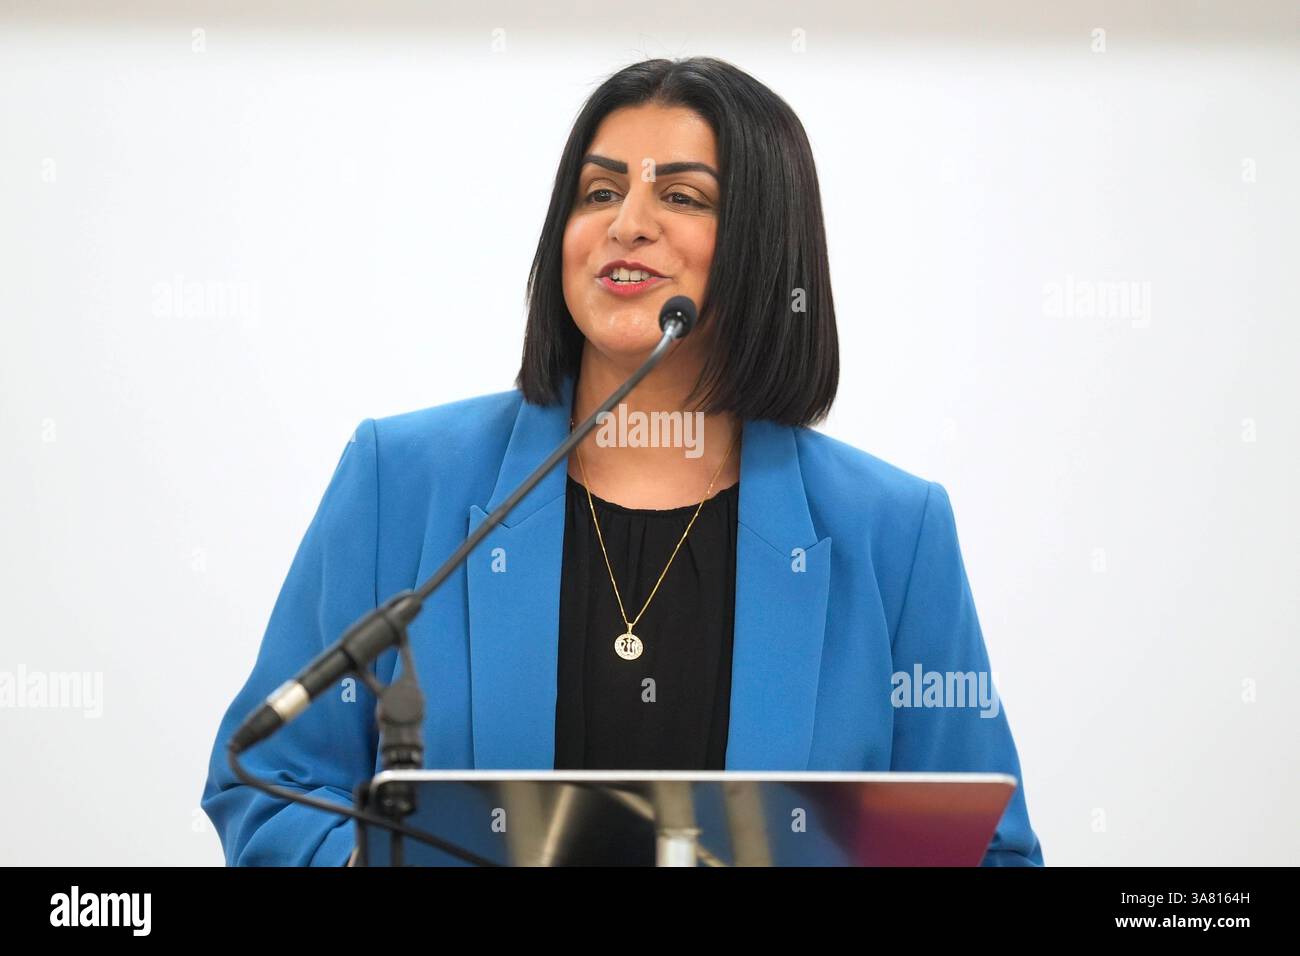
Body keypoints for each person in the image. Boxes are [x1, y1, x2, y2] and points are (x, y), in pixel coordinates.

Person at [201, 56, 1044, 867]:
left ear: (767, 246)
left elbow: (989, 851)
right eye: (599, 191)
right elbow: (269, 787)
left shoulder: (895, 532)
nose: (626, 222)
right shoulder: (401, 480)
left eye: (681, 195)